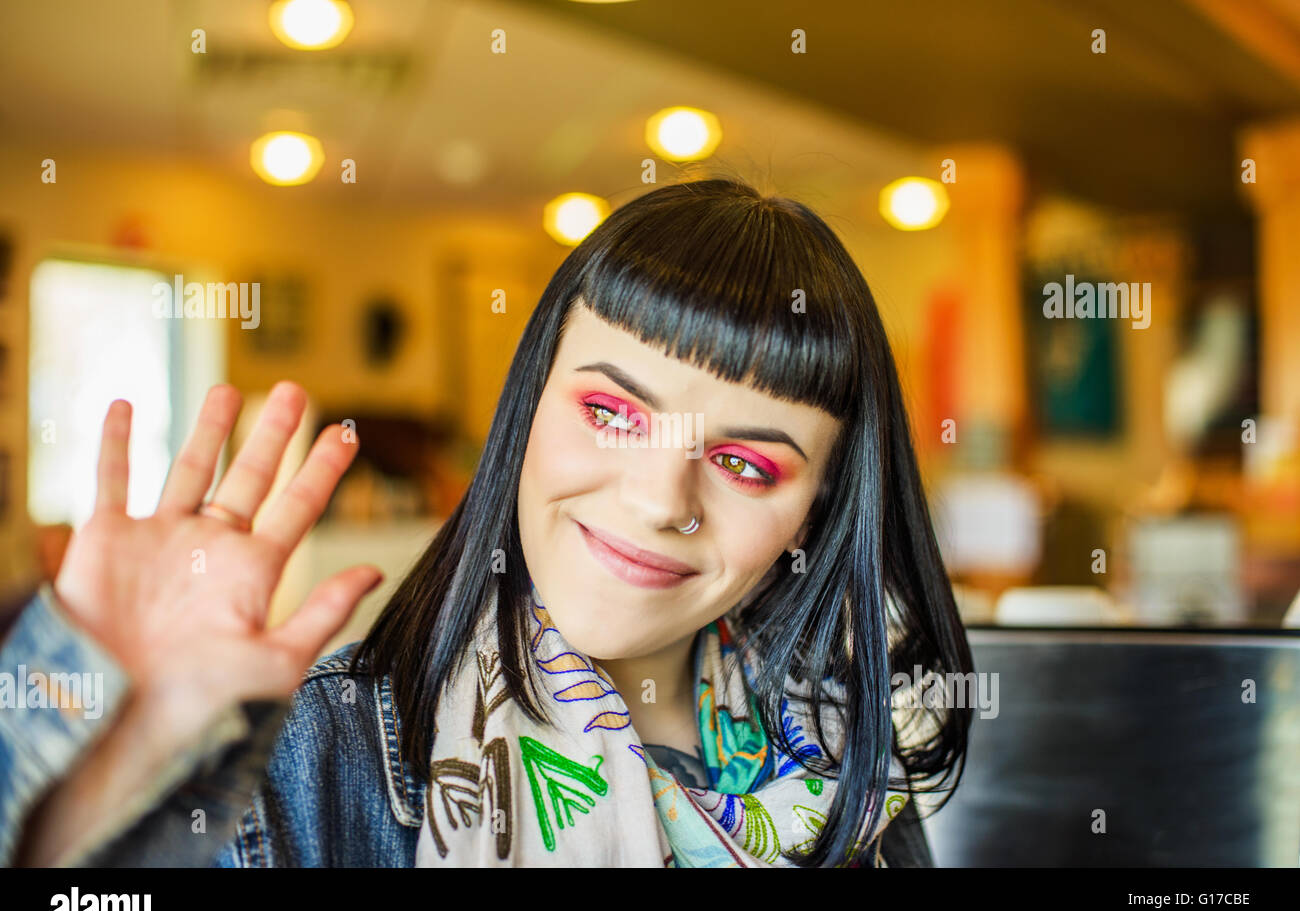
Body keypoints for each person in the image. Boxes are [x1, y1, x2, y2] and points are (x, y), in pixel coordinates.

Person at [2, 177, 971, 867]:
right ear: (528, 408)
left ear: (822, 506)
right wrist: (86, 752)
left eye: (743, 462)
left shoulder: (843, 737)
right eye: (611, 413)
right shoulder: (321, 753)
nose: (655, 501)